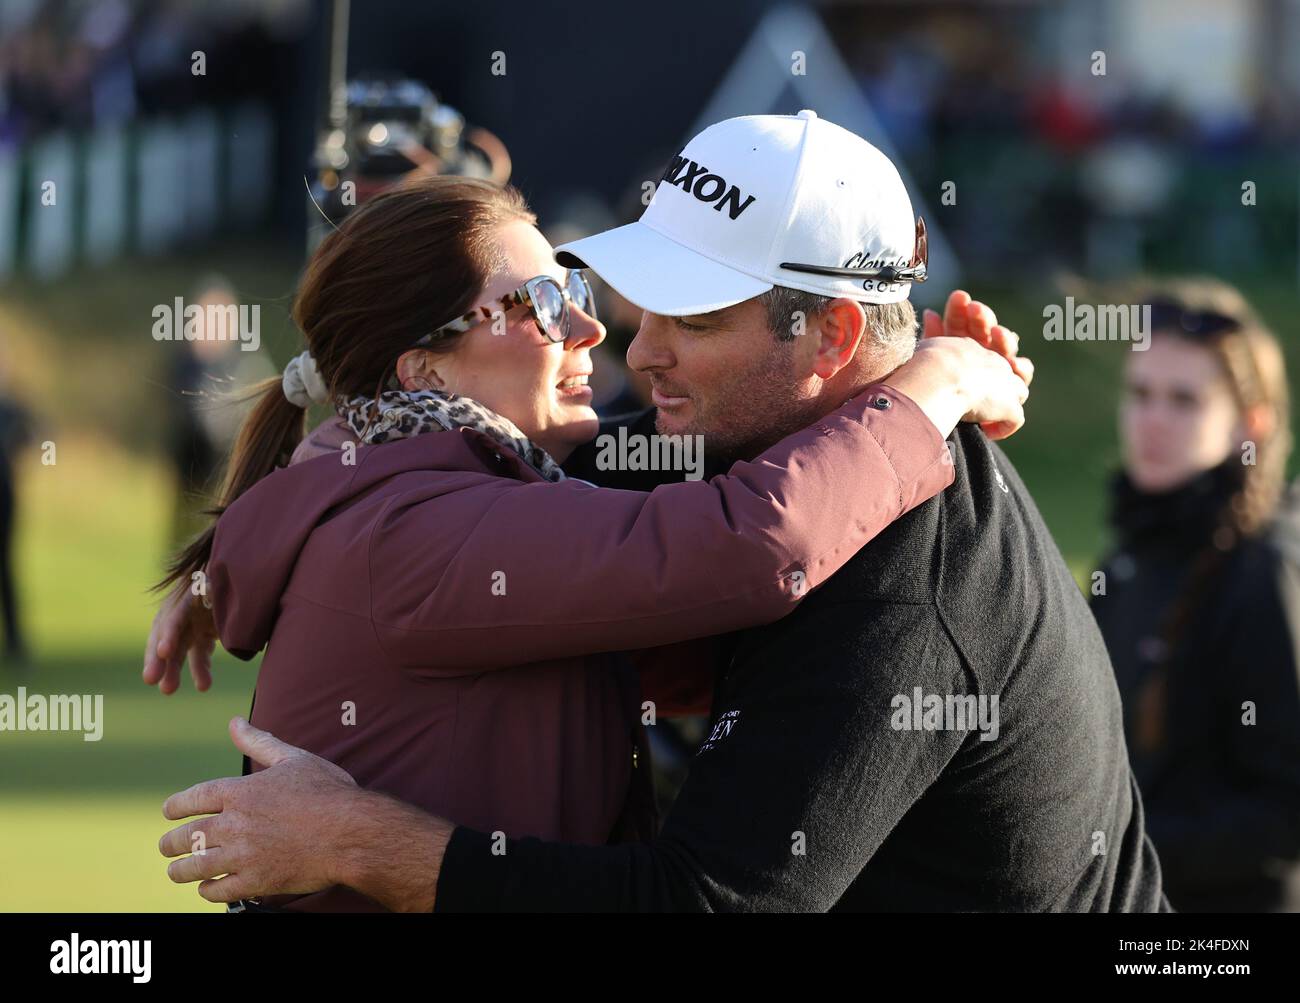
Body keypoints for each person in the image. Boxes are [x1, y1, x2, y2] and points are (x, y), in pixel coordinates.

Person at [156, 112, 1165, 913]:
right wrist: (934, 381)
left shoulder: (904, 563)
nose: (632, 349)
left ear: (831, 335)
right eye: (637, 302)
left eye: (695, 318)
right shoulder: (691, 458)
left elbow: (703, 903)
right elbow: (711, 526)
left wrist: (358, 836)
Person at [1091, 278, 1300, 912]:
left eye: (1185, 401)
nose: (1153, 420)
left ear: (1249, 422)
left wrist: (1116, 848)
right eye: (1141, 394)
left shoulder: (1263, 568)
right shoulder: (1128, 557)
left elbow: (1286, 813)